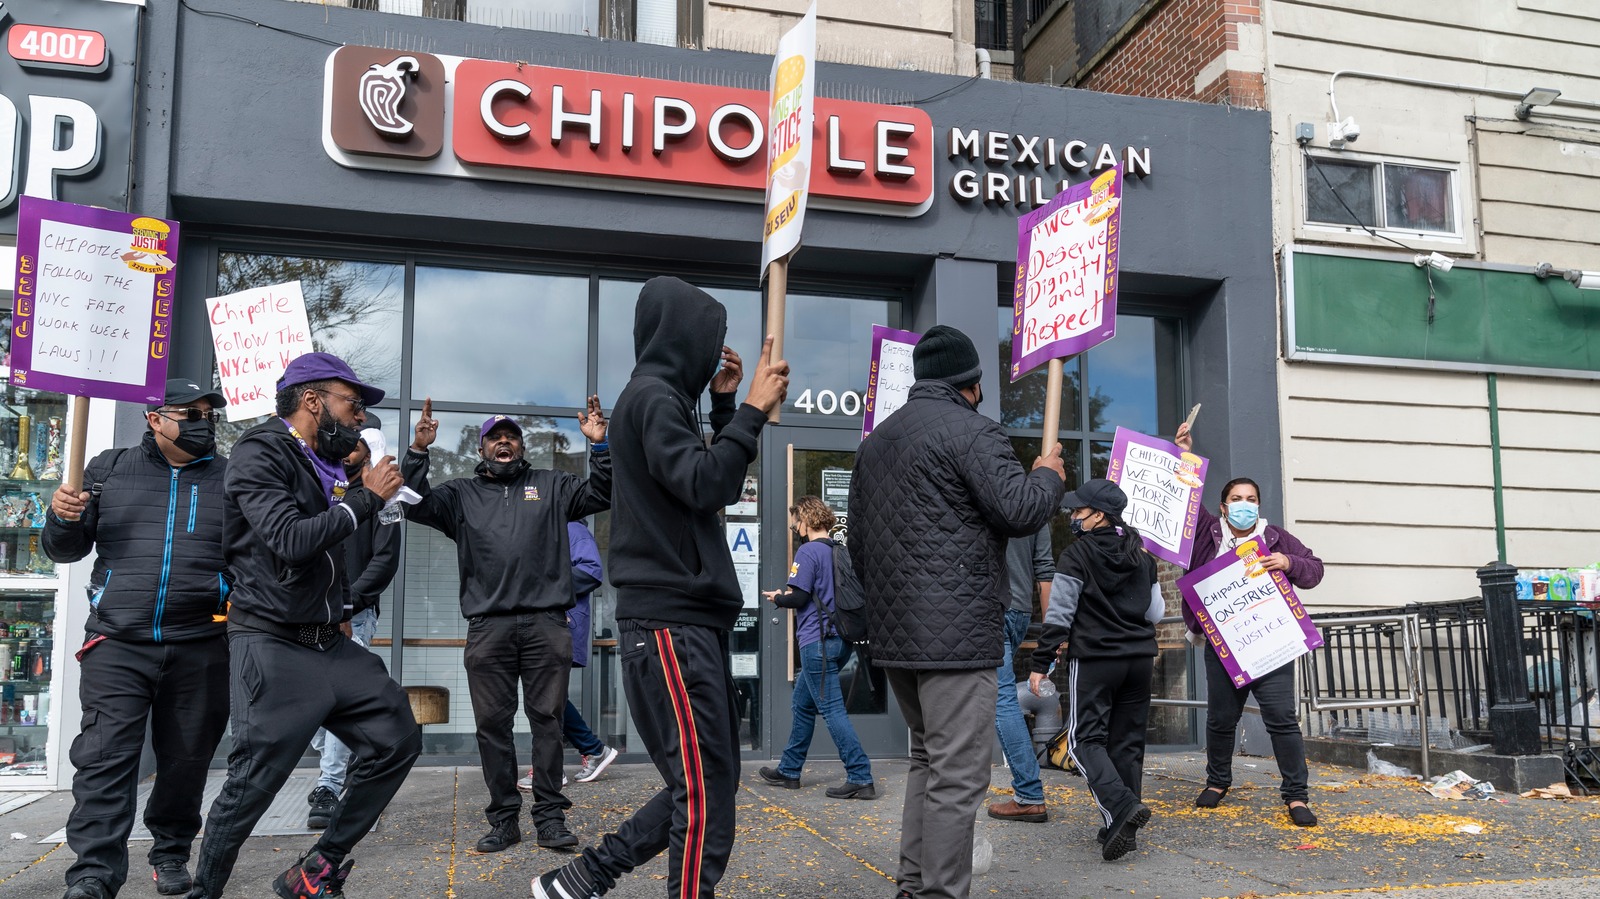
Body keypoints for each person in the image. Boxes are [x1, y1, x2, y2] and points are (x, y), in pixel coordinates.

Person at [532, 275, 788, 899]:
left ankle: (585, 877)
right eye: (710, 339)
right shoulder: (651, 398)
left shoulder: (659, 401)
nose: (713, 354)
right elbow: (706, 484)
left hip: (682, 622)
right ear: (683, 338)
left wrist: (726, 408)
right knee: (703, 794)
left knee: (705, 783)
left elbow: (709, 485)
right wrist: (752, 411)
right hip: (671, 625)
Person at [188, 352, 418, 899]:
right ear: (313, 400)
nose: (360, 417)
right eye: (353, 403)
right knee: (252, 783)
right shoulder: (260, 452)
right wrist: (366, 498)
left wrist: (340, 607)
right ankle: (205, 892)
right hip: (272, 642)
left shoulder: (327, 465)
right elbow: (290, 540)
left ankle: (317, 868)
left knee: (397, 738)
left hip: (328, 642)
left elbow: (332, 552)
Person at [847, 324, 1065, 899]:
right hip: (957, 635)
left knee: (928, 760)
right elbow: (1020, 511)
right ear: (972, 384)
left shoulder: (875, 443)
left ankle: (913, 886)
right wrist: (1047, 474)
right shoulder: (974, 431)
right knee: (958, 774)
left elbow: (857, 546)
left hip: (897, 635)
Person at [44, 379, 232, 899]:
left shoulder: (231, 477)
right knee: (104, 759)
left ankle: (170, 852)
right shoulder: (107, 469)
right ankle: (93, 874)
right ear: (155, 418)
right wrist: (61, 518)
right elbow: (64, 550)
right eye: (190, 414)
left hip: (201, 643)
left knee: (187, 760)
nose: (203, 424)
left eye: (209, 415)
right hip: (117, 643)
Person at [403, 398, 611, 853]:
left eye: (511, 437)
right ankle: (503, 821)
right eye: (495, 437)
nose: (504, 442)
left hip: (546, 625)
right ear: (482, 448)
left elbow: (602, 494)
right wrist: (418, 452)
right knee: (492, 727)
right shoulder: (460, 495)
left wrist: (600, 447)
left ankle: (550, 819)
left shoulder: (552, 485)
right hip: (488, 628)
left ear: (521, 446)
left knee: (548, 723)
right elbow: (415, 504)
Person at [1174, 422, 1325, 827]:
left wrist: (1289, 562)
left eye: (1251, 499)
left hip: (1270, 645)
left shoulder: (1275, 537)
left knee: (1282, 719)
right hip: (1223, 645)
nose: (1245, 504)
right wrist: (1186, 455)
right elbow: (1186, 498)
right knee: (1221, 719)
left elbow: (1315, 569)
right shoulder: (1206, 533)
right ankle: (1217, 782)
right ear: (1223, 507)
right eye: (1236, 499)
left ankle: (1296, 795)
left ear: (1259, 505)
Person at [1028, 478, 1163, 862]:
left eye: (1078, 511)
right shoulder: (1142, 556)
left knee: (1083, 741)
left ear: (1099, 515)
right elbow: (1155, 613)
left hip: (1096, 660)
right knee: (1127, 743)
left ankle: (1122, 807)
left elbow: (1060, 615)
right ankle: (1120, 824)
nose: (1073, 516)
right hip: (1139, 660)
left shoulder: (1077, 555)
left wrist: (1041, 664)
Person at [306, 414, 402, 830]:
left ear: (369, 449)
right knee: (311, 702)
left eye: (356, 443)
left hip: (354, 616)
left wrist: (348, 605)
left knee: (340, 699)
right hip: (309, 612)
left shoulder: (386, 499)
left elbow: (385, 560)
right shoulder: (321, 483)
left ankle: (328, 785)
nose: (347, 448)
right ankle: (344, 760)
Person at [757, 495, 876, 800]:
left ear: (806, 521)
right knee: (803, 704)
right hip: (841, 641)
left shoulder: (808, 551)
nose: (794, 528)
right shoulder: (839, 550)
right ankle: (790, 770)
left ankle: (860, 776)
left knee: (832, 710)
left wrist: (778, 598)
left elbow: (798, 598)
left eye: (795, 523)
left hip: (817, 643)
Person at [519, 520, 620, 793]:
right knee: (549, 696)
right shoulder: (545, 529)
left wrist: (542, 583)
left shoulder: (572, 528)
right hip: (541, 625)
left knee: (545, 697)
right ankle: (592, 750)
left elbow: (590, 571)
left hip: (558, 624)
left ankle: (550, 767)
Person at [987, 525, 1054, 822]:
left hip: (988, 607)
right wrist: (1051, 635)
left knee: (1001, 698)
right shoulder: (1034, 505)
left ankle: (1029, 794)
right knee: (989, 693)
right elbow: (1045, 570)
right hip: (1020, 610)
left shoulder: (982, 498)